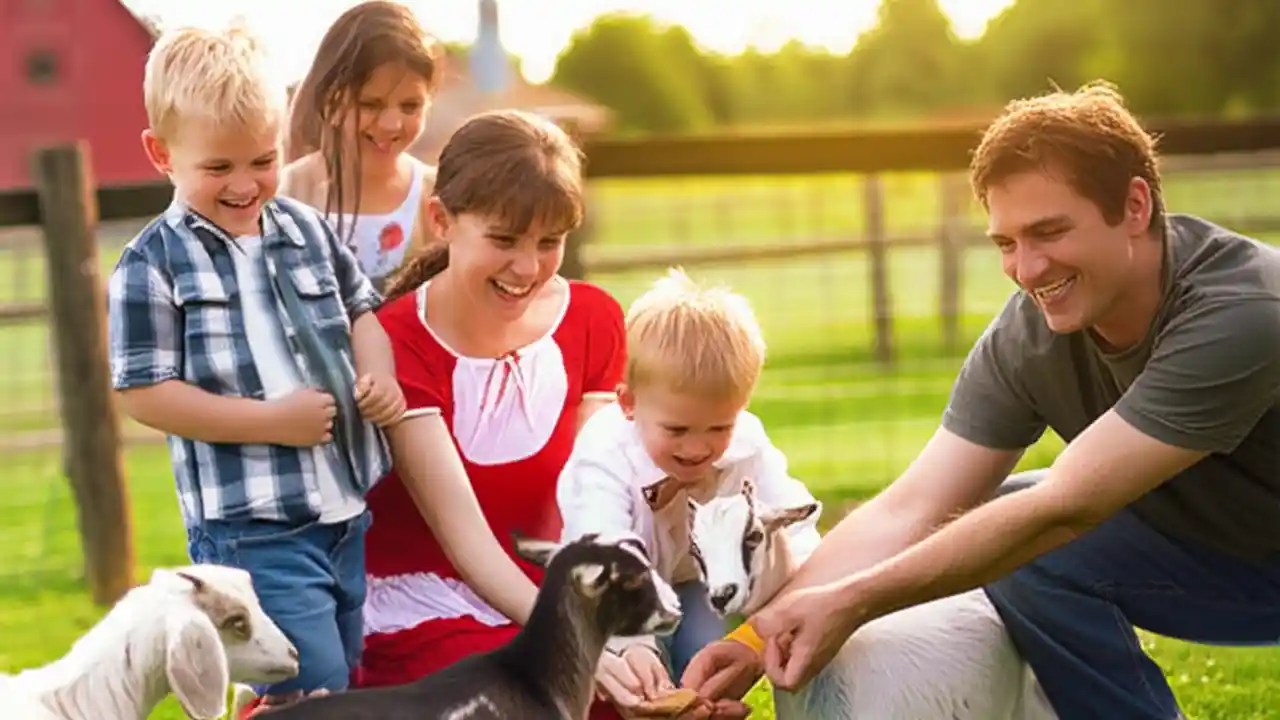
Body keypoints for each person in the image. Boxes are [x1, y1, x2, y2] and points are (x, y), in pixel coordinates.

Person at [682, 81, 1280, 720]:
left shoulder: (1242, 312)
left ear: (1135, 206)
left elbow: (1066, 509)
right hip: (1220, 551)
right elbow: (914, 505)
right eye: (1006, 243)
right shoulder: (1033, 333)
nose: (1028, 270)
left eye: (1050, 231)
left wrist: (851, 601)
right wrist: (756, 635)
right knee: (1009, 519)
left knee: (1030, 526)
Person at [106, 21, 405, 715]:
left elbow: (364, 312)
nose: (245, 185)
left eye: (261, 161)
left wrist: (379, 374)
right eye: (218, 168)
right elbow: (146, 394)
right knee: (312, 680)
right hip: (253, 523)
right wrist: (271, 421)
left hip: (344, 505)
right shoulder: (152, 265)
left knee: (343, 672)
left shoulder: (305, 229)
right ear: (161, 153)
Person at [355, 109, 632, 720]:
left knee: (627, 699)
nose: (528, 267)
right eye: (503, 240)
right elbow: (469, 548)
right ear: (441, 220)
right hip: (422, 611)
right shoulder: (395, 341)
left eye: (549, 242)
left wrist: (612, 636)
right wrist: (576, 645)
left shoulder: (593, 320)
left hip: (540, 595)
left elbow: (590, 507)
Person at [556, 268, 820, 718]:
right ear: (629, 404)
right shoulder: (605, 453)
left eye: (719, 427)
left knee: (703, 658)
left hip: (693, 578)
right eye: (676, 429)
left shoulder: (746, 444)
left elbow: (795, 524)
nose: (698, 448)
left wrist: (793, 602)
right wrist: (631, 647)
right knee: (636, 676)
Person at [280, 0, 439, 292]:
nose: (391, 124)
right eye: (370, 104)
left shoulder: (434, 195)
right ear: (331, 102)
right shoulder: (288, 191)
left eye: (410, 106)